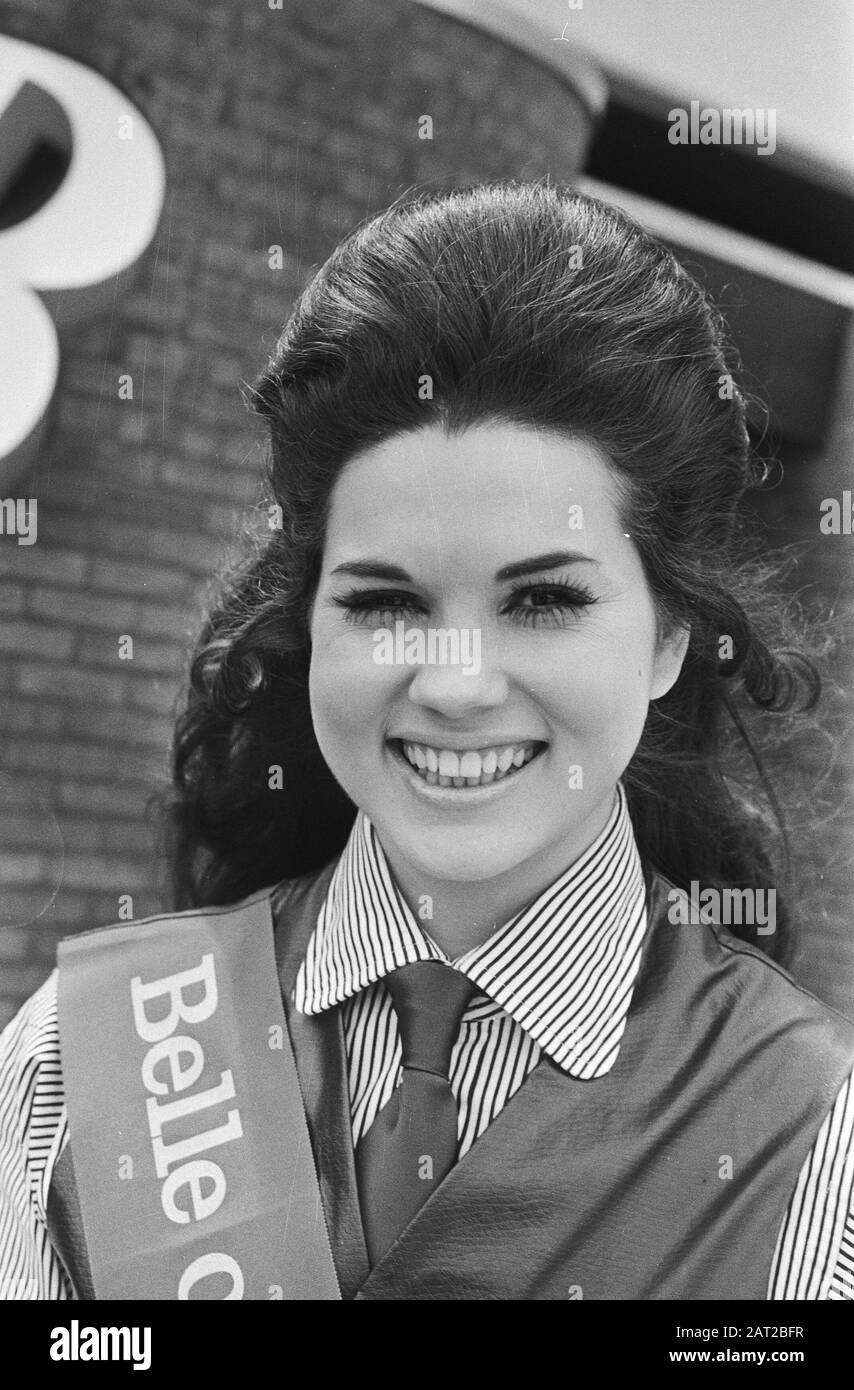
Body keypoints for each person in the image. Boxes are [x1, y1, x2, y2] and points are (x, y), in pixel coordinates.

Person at [1, 182, 852, 1301]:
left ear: (669, 635)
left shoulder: (810, 1148)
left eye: (542, 601)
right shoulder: (76, 1062)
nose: (454, 685)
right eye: (384, 601)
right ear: (308, 624)